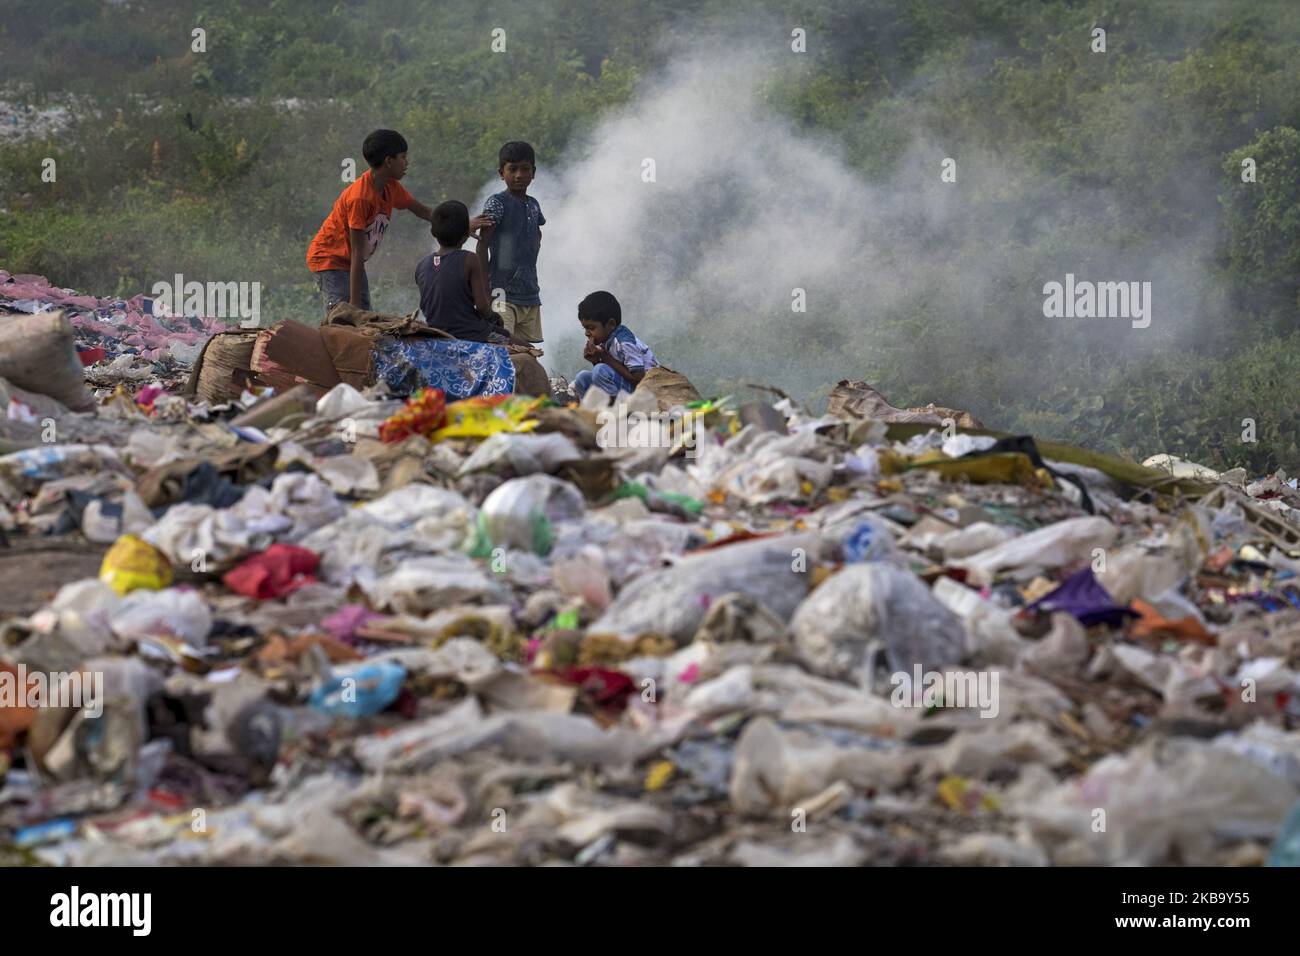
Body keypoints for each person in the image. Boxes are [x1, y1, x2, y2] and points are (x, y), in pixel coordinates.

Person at [307, 129, 435, 315]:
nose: (407, 162)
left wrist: (460, 225)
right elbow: (358, 251)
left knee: (364, 315)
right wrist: (355, 304)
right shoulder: (360, 198)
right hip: (330, 259)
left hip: (351, 261)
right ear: (389, 161)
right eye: (403, 157)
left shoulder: (391, 187)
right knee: (345, 316)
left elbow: (422, 211)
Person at [471, 141, 545, 342]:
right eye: (512, 169)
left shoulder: (534, 205)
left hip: (529, 292)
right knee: (503, 345)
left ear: (534, 172)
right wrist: (484, 286)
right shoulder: (498, 203)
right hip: (500, 290)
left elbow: (537, 234)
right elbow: (482, 244)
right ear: (501, 173)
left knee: (526, 349)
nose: (519, 175)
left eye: (525, 169)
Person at [415, 201, 513, 344]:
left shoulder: (422, 265)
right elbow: (482, 307)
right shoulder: (470, 259)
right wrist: (494, 317)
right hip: (469, 333)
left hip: (436, 332)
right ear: (467, 234)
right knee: (527, 349)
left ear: (433, 233)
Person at [573, 290, 658, 398]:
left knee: (600, 370)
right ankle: (591, 411)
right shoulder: (607, 341)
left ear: (611, 324)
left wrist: (605, 357)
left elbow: (639, 379)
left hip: (646, 391)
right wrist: (595, 360)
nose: (586, 333)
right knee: (582, 377)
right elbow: (605, 378)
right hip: (627, 389)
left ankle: (616, 411)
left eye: (591, 328)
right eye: (585, 328)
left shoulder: (625, 343)